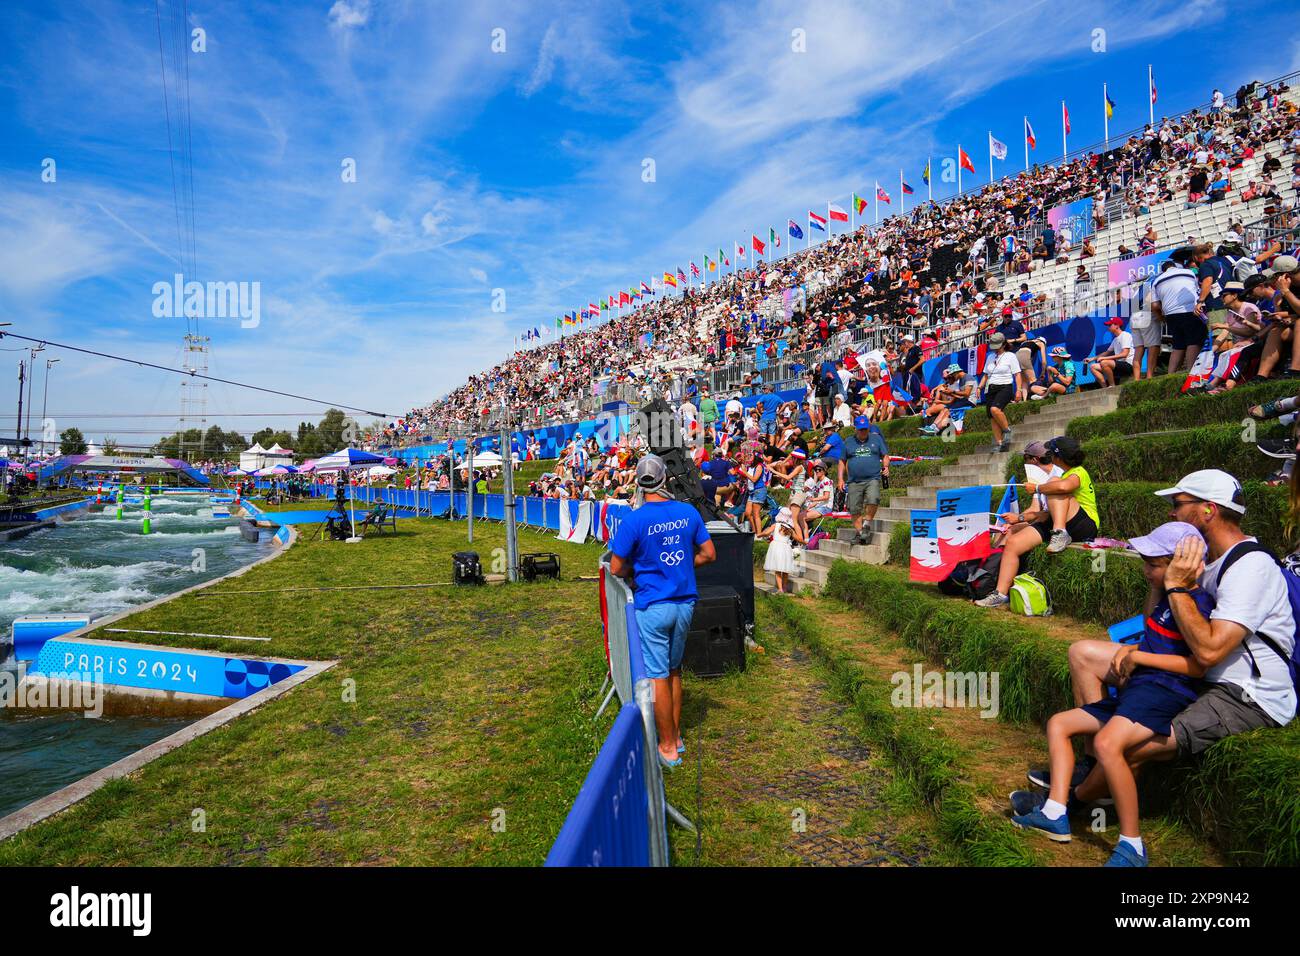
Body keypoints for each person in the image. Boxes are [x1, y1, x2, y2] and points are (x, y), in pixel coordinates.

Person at [1060, 471, 1297, 840]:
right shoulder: (1202, 561)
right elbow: (1156, 626)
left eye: (1177, 504)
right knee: (1083, 654)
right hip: (1201, 675)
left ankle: (1075, 800)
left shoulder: (1251, 567)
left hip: (1244, 693)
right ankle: (1094, 770)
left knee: (1128, 744)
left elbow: (1209, 649)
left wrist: (1174, 584)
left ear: (1208, 510)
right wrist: (1163, 581)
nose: (1171, 514)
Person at [1009, 522, 1215, 866]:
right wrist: (1159, 584)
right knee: (1059, 723)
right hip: (1139, 688)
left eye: (1154, 564)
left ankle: (1132, 845)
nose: (1146, 571)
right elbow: (1151, 622)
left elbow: (1197, 667)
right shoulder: (1167, 598)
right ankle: (1056, 811)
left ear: (1184, 565)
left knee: (1107, 744)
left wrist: (1137, 656)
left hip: (1162, 692)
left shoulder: (1198, 604)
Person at [608, 455, 716, 768]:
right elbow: (709, 554)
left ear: (639, 483)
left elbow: (615, 567)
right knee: (673, 670)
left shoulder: (634, 519)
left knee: (657, 675)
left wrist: (639, 569)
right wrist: (683, 563)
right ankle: (677, 735)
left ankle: (667, 745)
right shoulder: (687, 511)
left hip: (653, 605)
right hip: (685, 603)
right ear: (665, 479)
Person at [976, 436, 1098, 608]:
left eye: (1050, 452)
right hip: (1055, 519)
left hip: (1083, 525)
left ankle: (1060, 533)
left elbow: (1063, 488)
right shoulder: (1062, 474)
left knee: (1055, 484)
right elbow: (1044, 513)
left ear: (1058, 457)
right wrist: (1018, 519)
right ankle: (1001, 594)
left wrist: (1038, 488)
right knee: (1013, 543)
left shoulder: (1078, 472)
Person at [1150, 250, 1204, 377]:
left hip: (1170, 315)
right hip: (1189, 310)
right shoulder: (1188, 272)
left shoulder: (1157, 280)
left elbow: (1155, 305)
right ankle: (1191, 371)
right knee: (1193, 341)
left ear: (1164, 270)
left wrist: (1161, 317)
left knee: (1178, 344)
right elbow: (1197, 289)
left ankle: (1170, 374)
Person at [837, 415, 890, 545]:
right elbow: (842, 461)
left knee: (874, 498)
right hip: (854, 481)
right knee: (854, 508)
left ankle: (866, 524)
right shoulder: (848, 441)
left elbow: (885, 455)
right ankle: (861, 534)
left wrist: (886, 466)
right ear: (855, 428)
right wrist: (840, 479)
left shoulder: (876, 439)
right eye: (860, 429)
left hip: (872, 478)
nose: (863, 432)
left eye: (865, 429)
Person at [978, 332, 1020, 453]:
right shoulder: (990, 357)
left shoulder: (1010, 356)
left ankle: (1007, 431)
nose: (995, 349)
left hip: (1005, 386)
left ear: (1003, 344)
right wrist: (979, 387)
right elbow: (986, 375)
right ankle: (999, 443)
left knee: (995, 410)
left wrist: (1018, 390)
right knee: (992, 417)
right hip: (990, 388)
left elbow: (1017, 374)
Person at [760, 507, 804, 594]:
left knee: (778, 569)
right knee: (785, 569)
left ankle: (780, 589)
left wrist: (759, 534)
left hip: (776, 547)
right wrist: (805, 542)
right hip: (786, 549)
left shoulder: (775, 525)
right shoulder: (790, 530)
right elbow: (798, 538)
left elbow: (766, 532)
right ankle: (784, 587)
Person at [1087, 318, 1134, 387]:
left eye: (1110, 325)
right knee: (1093, 366)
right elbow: (1106, 352)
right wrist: (1092, 359)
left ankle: (1112, 386)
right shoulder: (1115, 339)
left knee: (1104, 362)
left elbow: (1125, 354)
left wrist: (1104, 358)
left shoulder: (1125, 335)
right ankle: (1105, 388)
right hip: (1119, 366)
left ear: (1117, 326)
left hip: (1128, 366)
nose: (1108, 327)